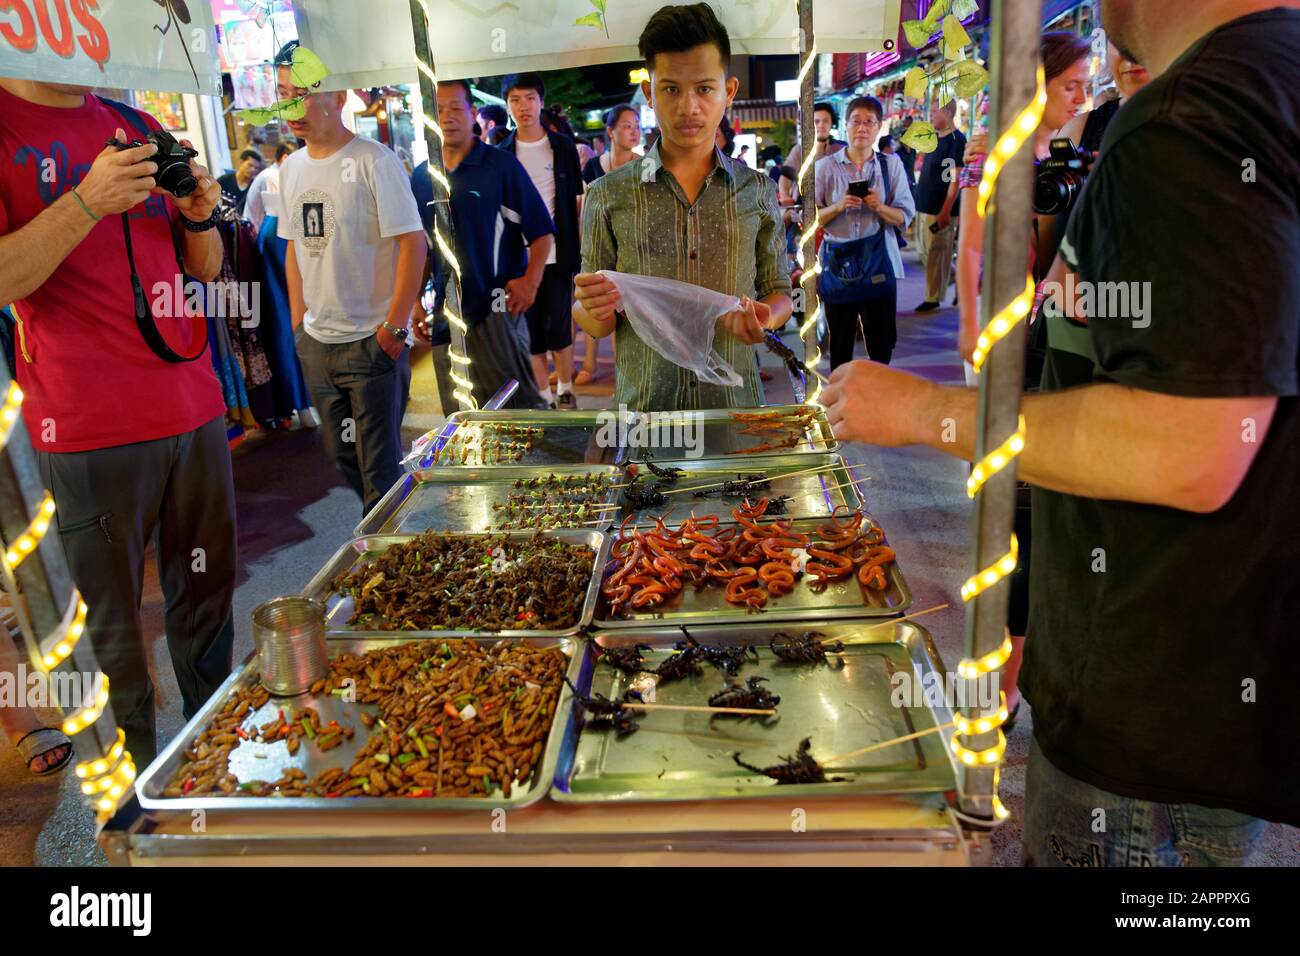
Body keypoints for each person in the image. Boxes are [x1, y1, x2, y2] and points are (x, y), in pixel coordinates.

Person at [823, 0, 1300, 865]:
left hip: (1151, 734)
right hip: (1218, 706)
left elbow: (1193, 446)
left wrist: (926, 411)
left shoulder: (1193, 118)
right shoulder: (1262, 84)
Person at [0, 77, 234, 769]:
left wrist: (198, 216)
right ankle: (132, 816)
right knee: (110, 638)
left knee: (207, 608)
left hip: (194, 407)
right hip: (86, 427)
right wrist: (84, 202)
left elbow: (207, 270)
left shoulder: (133, 117)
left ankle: (215, 765)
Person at [951, 31, 1092, 730]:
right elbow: (971, 251)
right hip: (1018, 357)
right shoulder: (1002, 157)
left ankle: (1008, 678)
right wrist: (974, 332)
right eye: (1071, 84)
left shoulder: (1076, 160)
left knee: (1036, 523)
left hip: (1062, 355)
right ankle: (998, 683)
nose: (1081, 97)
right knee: (1013, 518)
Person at [574, 2, 792, 412]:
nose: (689, 107)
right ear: (649, 93)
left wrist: (766, 318)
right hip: (646, 417)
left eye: (704, 89)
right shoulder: (607, 194)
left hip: (736, 413)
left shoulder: (757, 191)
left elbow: (778, 290)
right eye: (671, 88)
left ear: (728, 92)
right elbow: (597, 322)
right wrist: (587, 305)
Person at [275, 42, 427, 516]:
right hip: (317, 343)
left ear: (339, 96)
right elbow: (294, 247)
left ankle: (384, 574)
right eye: (284, 95)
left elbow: (413, 243)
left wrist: (395, 329)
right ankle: (393, 543)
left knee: (379, 471)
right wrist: (299, 325)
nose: (292, 108)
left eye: (304, 93)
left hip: (371, 342)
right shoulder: (291, 168)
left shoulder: (373, 160)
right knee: (344, 458)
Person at [410, 80, 551, 411]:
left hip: (496, 308)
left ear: (473, 113)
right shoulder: (420, 176)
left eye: (456, 107)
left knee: (517, 410)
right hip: (446, 315)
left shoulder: (499, 166)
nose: (447, 116)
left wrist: (531, 281)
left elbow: (542, 231)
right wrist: (415, 301)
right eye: (438, 109)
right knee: (459, 416)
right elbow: (422, 247)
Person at [500, 73, 584, 410]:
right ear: (507, 105)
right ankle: (542, 395)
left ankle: (565, 389)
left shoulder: (562, 147)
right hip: (518, 261)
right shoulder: (502, 152)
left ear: (541, 102)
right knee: (531, 332)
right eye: (516, 100)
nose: (524, 107)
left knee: (560, 327)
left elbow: (575, 203)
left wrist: (580, 255)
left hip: (559, 255)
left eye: (530, 98)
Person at [813, 95, 915, 368]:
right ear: (845, 125)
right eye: (856, 121)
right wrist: (838, 206)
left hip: (879, 265)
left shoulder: (890, 165)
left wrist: (878, 206)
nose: (862, 128)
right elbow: (810, 220)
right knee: (841, 346)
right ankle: (840, 407)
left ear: (879, 126)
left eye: (869, 122)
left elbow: (905, 216)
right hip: (838, 267)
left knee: (881, 345)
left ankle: (877, 405)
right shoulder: (825, 167)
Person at [577, 104, 642, 386]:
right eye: (627, 125)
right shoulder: (593, 167)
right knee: (596, 307)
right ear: (610, 131)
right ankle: (589, 365)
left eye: (636, 125)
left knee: (627, 312)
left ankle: (626, 371)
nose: (634, 131)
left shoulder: (645, 165)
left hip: (631, 249)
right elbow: (583, 208)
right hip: (599, 244)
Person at [912, 101, 965, 313]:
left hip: (939, 208)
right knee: (926, 253)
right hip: (923, 205)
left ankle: (932, 298)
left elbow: (956, 178)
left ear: (948, 112)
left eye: (935, 111)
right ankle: (957, 279)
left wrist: (946, 210)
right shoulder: (934, 138)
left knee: (935, 254)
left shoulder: (956, 141)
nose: (931, 115)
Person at [779, 100, 846, 212]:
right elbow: (785, 177)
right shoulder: (799, 150)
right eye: (816, 121)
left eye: (825, 121)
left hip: (837, 208)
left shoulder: (842, 149)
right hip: (803, 207)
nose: (821, 125)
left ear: (832, 123)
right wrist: (785, 196)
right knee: (783, 225)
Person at [244, 141, 295, 235]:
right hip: (257, 234)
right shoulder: (272, 177)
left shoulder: (274, 174)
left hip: (260, 231)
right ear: (285, 158)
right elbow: (276, 216)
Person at [217, 148, 265, 216]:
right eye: (250, 165)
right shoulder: (224, 180)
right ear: (241, 162)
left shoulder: (255, 186)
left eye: (256, 168)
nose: (252, 170)